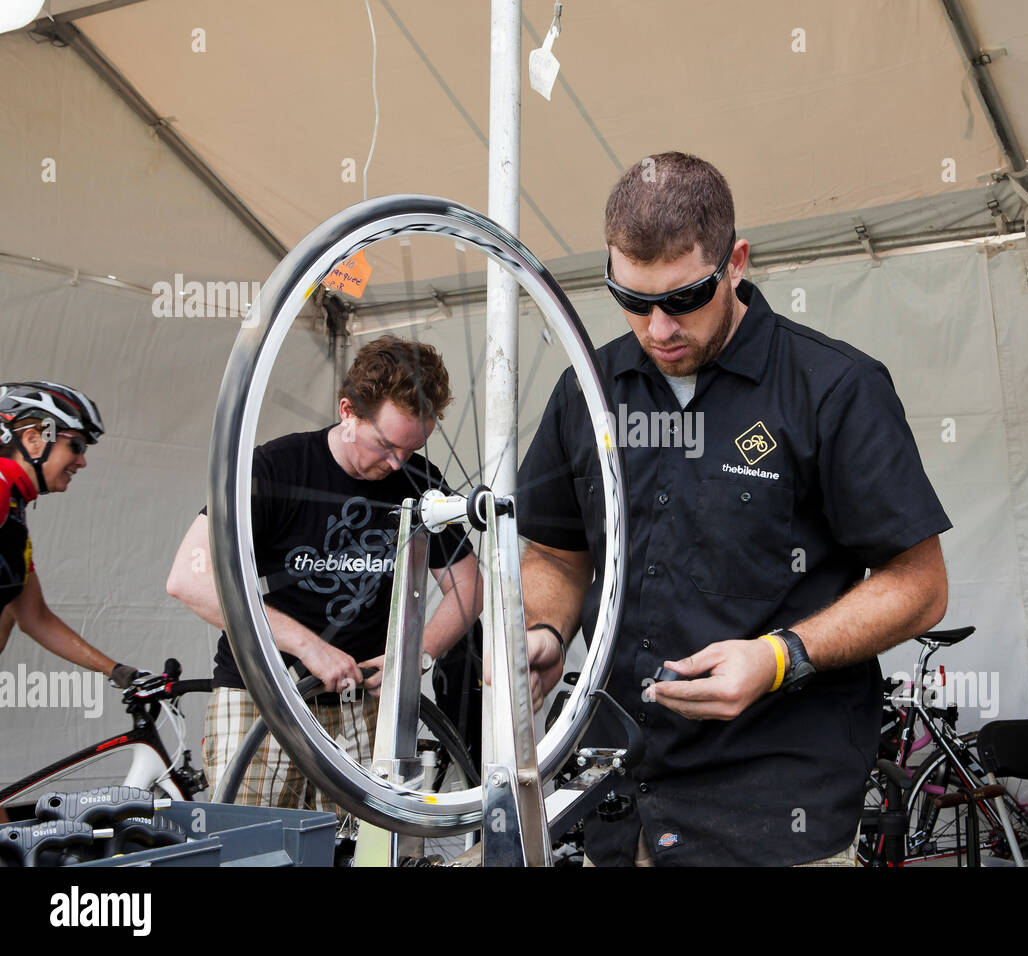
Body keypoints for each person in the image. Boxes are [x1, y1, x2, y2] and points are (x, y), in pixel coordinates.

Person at [516, 152, 952, 866]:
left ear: (736, 261)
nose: (657, 328)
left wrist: (779, 658)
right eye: (630, 299)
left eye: (683, 299)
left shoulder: (833, 388)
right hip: (620, 802)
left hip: (773, 812)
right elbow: (558, 554)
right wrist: (545, 628)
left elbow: (921, 585)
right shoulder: (586, 392)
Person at [166, 336, 483, 814]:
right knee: (251, 847)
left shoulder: (421, 481)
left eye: (411, 448)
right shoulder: (276, 468)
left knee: (366, 850)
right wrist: (309, 647)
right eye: (385, 445)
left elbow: (467, 585)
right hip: (263, 697)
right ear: (347, 411)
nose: (396, 462)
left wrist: (414, 656)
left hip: (366, 705)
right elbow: (190, 578)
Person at [0, 382, 139, 685]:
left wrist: (116, 670)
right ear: (33, 439)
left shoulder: (12, 509)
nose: (82, 460)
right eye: (75, 445)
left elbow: (34, 617)